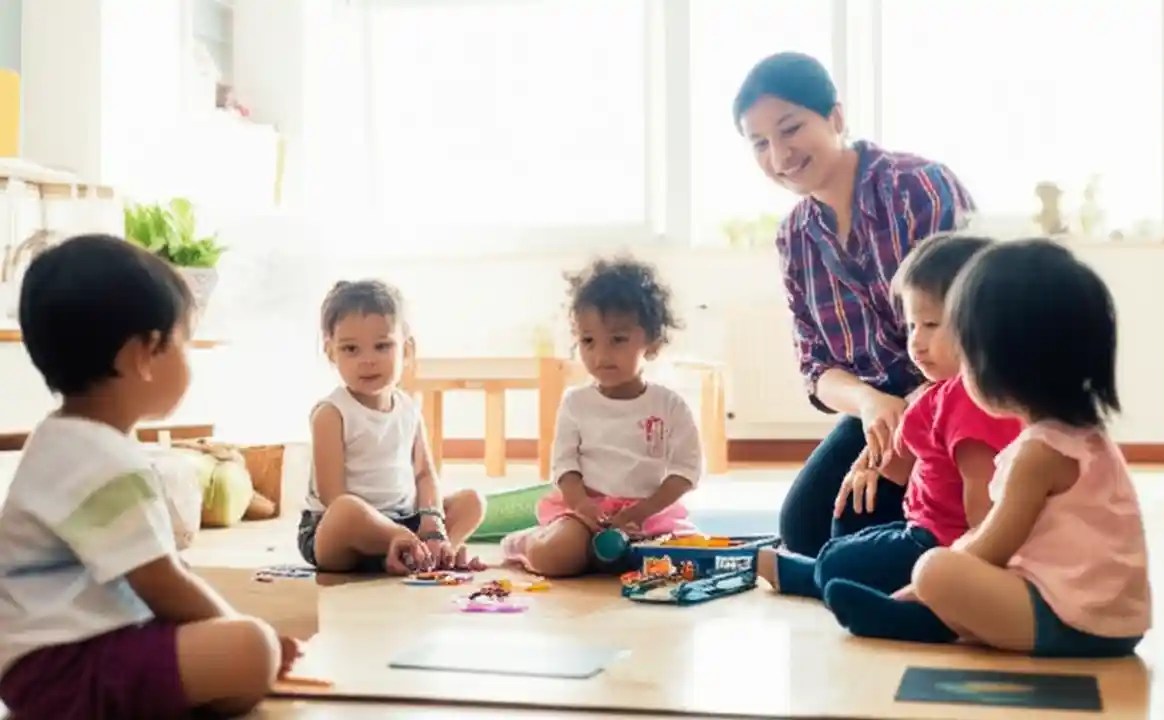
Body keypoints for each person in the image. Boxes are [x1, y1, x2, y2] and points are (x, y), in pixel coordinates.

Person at [0, 234, 293, 719]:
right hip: (64, 667)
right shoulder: (103, 459)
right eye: (185, 343)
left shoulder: (60, 439)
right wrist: (237, 628)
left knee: (225, 640)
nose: (189, 361)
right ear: (142, 354)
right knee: (253, 648)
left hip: (41, 662)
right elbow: (161, 581)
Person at [825, 239, 1151, 658]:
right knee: (944, 570)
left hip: (1073, 623)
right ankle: (922, 619)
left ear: (1004, 364)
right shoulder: (1086, 436)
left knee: (936, 567)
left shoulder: (1040, 452)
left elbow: (989, 547)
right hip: (1109, 619)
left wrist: (923, 586)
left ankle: (918, 617)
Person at [733, 51, 977, 556]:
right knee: (803, 531)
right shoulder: (794, 237)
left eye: (790, 128)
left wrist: (908, 421)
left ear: (836, 118)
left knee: (855, 537)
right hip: (879, 411)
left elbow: (974, 330)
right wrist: (871, 405)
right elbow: (816, 366)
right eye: (760, 143)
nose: (779, 156)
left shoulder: (920, 188)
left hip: (956, 400)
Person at [757, 233, 1022, 610]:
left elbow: (981, 516)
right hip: (920, 531)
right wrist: (870, 466)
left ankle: (811, 578)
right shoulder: (937, 394)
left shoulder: (973, 402)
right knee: (846, 532)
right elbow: (897, 463)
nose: (916, 342)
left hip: (942, 547)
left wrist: (967, 576)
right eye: (912, 326)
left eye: (931, 324)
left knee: (837, 561)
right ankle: (862, 583)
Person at [501, 256, 703, 577]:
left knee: (684, 562)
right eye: (588, 341)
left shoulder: (670, 405)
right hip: (586, 515)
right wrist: (582, 506)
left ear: (652, 343)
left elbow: (685, 471)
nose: (601, 355)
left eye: (618, 340)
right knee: (557, 556)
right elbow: (565, 467)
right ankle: (527, 543)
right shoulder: (576, 403)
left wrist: (642, 511)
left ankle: (602, 557)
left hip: (651, 517)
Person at [298, 279, 486, 575]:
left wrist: (433, 524)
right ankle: (407, 548)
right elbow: (332, 496)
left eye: (382, 346)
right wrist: (393, 532)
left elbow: (425, 475)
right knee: (346, 510)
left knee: (472, 502)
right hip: (342, 534)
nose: (368, 360)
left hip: (403, 520)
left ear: (407, 350)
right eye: (351, 349)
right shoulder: (331, 414)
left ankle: (430, 552)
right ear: (331, 353)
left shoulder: (409, 409)